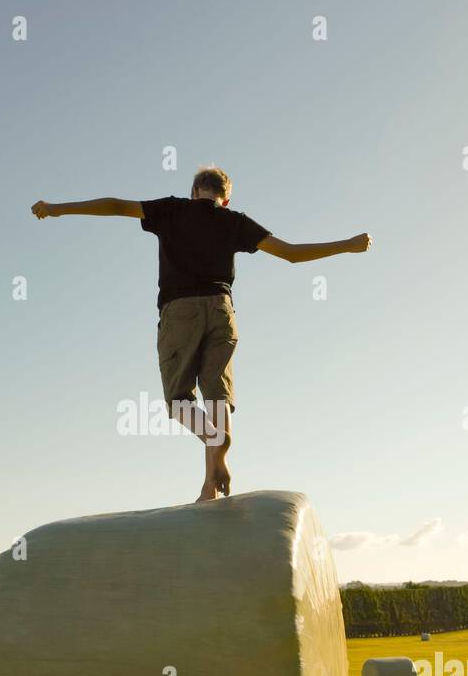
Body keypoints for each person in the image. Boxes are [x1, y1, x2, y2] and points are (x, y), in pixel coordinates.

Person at [32, 165, 371, 502]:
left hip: (181, 311)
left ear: (194, 191)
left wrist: (58, 209)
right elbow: (293, 254)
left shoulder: (171, 209)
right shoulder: (234, 221)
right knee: (217, 396)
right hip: (223, 311)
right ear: (225, 199)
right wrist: (349, 244)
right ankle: (210, 484)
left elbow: (116, 205)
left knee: (179, 400)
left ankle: (214, 441)